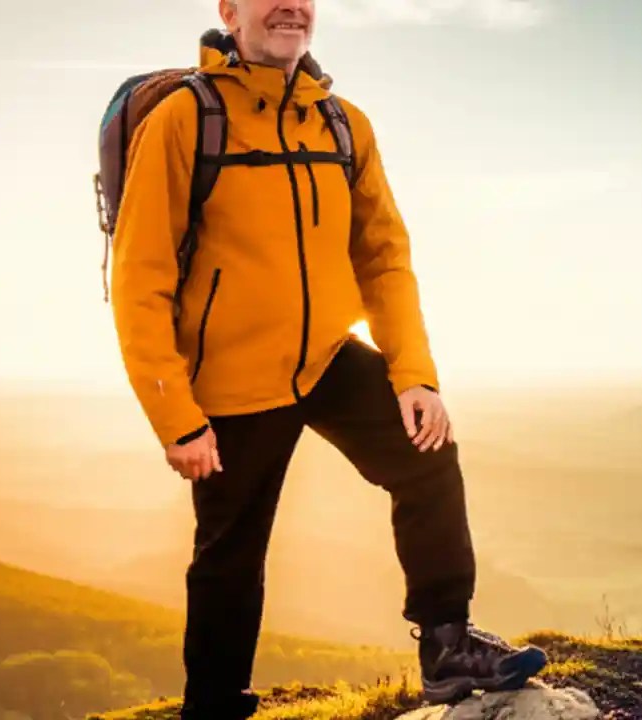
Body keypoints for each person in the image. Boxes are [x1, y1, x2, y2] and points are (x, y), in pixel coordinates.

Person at [108, 0, 547, 716]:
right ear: (229, 8)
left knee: (428, 455)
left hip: (325, 356)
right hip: (229, 373)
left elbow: (385, 258)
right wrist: (175, 416)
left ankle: (447, 644)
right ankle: (213, 705)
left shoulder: (344, 123)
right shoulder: (186, 120)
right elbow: (140, 276)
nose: (292, 6)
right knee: (230, 556)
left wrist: (414, 375)